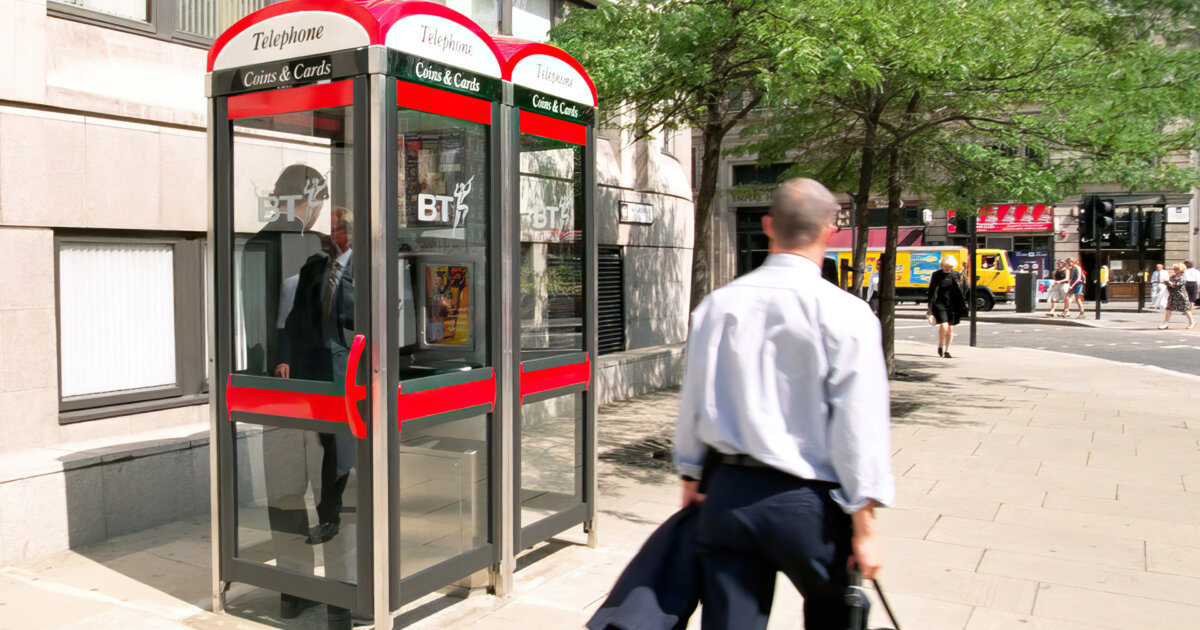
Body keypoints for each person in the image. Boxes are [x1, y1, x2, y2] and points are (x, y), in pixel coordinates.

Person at [674, 178, 893, 630]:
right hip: (808, 504)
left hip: (729, 493)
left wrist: (692, 479)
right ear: (830, 231)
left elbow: (693, 401)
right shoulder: (847, 314)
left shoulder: (717, 306)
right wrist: (864, 525)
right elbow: (858, 426)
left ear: (768, 226)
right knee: (837, 616)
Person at [927, 255, 968, 358]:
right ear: (941, 265)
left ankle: (947, 350)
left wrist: (964, 281)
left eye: (949, 267)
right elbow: (932, 290)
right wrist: (930, 307)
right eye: (945, 266)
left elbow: (963, 290)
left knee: (950, 328)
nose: (947, 268)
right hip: (940, 303)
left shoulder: (956, 275)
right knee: (944, 325)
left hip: (953, 304)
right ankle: (940, 344)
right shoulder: (936, 275)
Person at [1159, 263, 1195, 329]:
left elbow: (1178, 284)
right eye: (1174, 269)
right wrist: (1167, 283)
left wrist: (1171, 284)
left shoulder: (1184, 276)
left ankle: (1191, 322)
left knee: (1186, 309)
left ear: (1180, 270)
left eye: (1176, 269)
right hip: (1173, 295)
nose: (1175, 270)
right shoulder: (1172, 276)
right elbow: (1170, 285)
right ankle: (1165, 323)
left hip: (1181, 295)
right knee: (1168, 308)